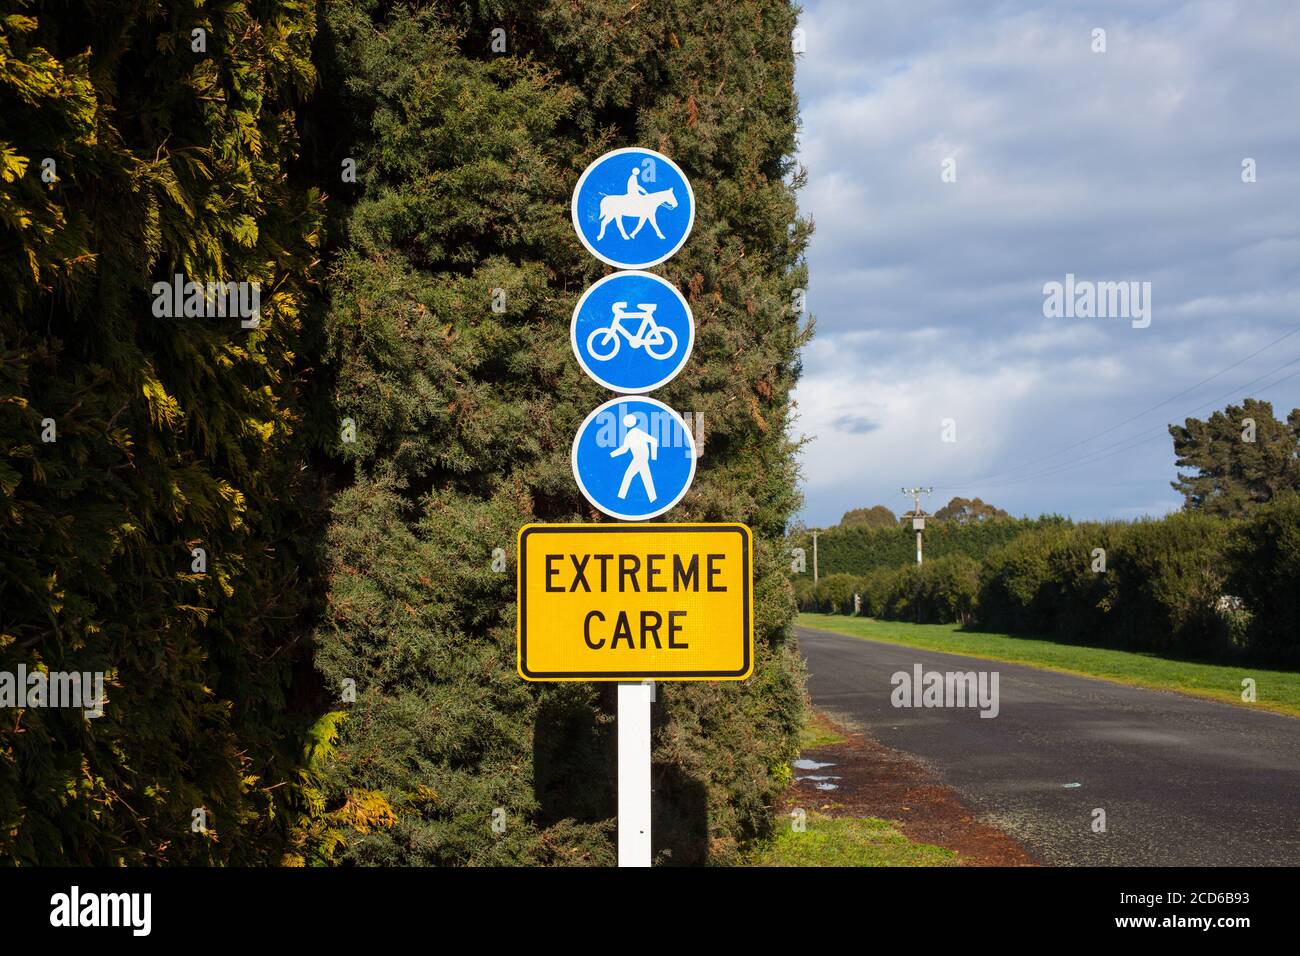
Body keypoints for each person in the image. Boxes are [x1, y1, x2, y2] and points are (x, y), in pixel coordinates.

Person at [611, 414, 658, 502]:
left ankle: (620, 498)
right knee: (644, 478)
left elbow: (654, 441)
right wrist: (611, 455)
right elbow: (624, 449)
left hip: (641, 458)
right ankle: (653, 499)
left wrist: (654, 457)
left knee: (629, 476)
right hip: (638, 458)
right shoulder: (629, 435)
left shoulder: (637, 432)